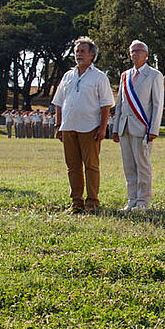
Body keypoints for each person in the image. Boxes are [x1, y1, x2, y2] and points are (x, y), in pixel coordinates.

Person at [51, 37, 114, 213]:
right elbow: (58, 101)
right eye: (77, 51)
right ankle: (76, 202)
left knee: (91, 166)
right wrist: (58, 125)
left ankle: (92, 201)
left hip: (90, 128)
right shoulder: (68, 76)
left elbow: (106, 104)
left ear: (92, 55)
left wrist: (102, 128)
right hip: (69, 127)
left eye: (82, 51)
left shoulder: (99, 77)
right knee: (73, 167)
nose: (79, 54)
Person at [111, 40, 164, 211]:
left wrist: (154, 129)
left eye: (139, 51)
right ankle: (132, 199)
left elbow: (157, 104)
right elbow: (120, 103)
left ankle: (143, 200)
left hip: (143, 128)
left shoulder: (154, 75)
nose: (135, 54)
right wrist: (115, 127)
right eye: (132, 51)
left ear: (146, 54)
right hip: (124, 127)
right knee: (129, 166)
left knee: (143, 165)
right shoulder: (125, 75)